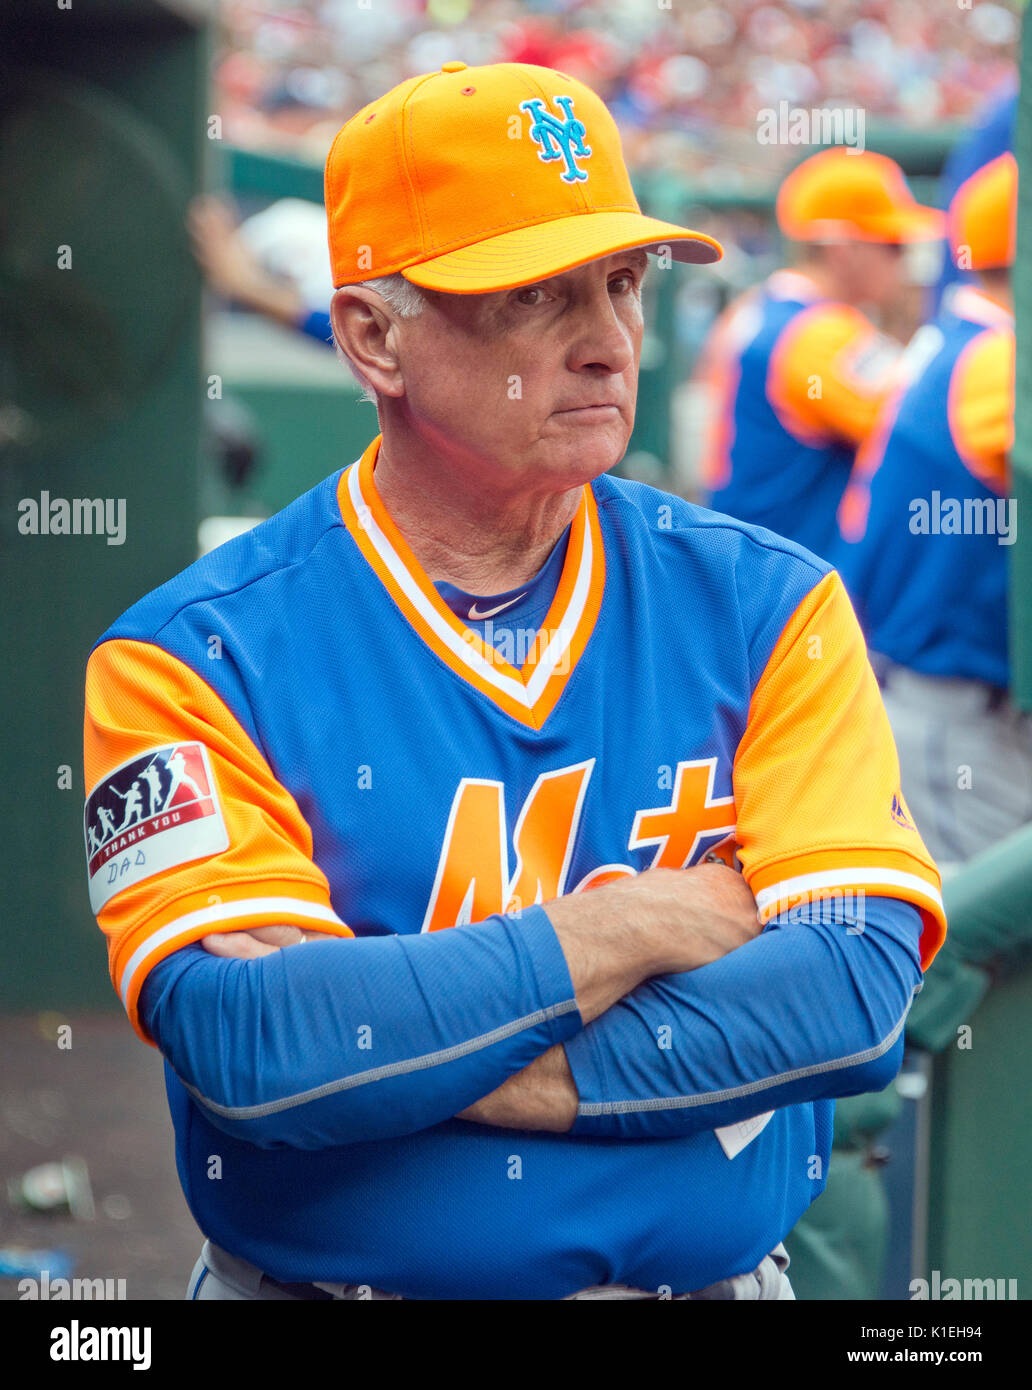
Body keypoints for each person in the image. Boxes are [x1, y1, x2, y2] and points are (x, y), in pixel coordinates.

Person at [82, 61, 946, 1302]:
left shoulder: (770, 605)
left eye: (622, 282)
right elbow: (257, 1047)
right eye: (535, 293)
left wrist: (410, 1044)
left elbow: (856, 999)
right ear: (375, 335)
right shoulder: (190, 657)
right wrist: (634, 928)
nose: (606, 341)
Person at [834, 152, 1029, 871]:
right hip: (956, 709)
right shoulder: (997, 357)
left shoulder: (963, 339)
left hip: (944, 692)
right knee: (963, 959)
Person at [695, 147, 943, 561]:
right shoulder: (821, 333)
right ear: (843, 248)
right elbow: (924, 425)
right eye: (892, 243)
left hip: (745, 563)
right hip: (788, 586)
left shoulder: (755, 307)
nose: (903, 261)